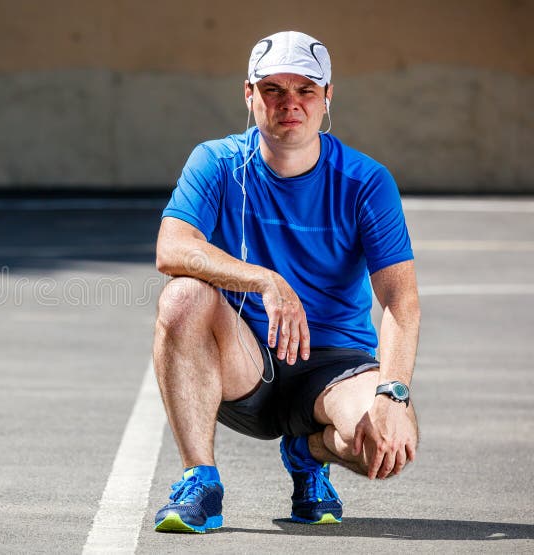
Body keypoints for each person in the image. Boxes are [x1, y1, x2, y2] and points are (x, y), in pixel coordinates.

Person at [152, 30, 420, 533]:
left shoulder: (366, 181)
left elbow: (399, 301)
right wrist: (265, 281)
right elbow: (172, 249)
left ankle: (306, 450)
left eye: (305, 91)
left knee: (387, 444)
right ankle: (200, 481)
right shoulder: (218, 162)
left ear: (327, 98)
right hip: (246, 360)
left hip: (335, 363)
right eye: (273, 89)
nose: (289, 104)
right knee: (182, 295)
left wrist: (394, 394)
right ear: (249, 94)